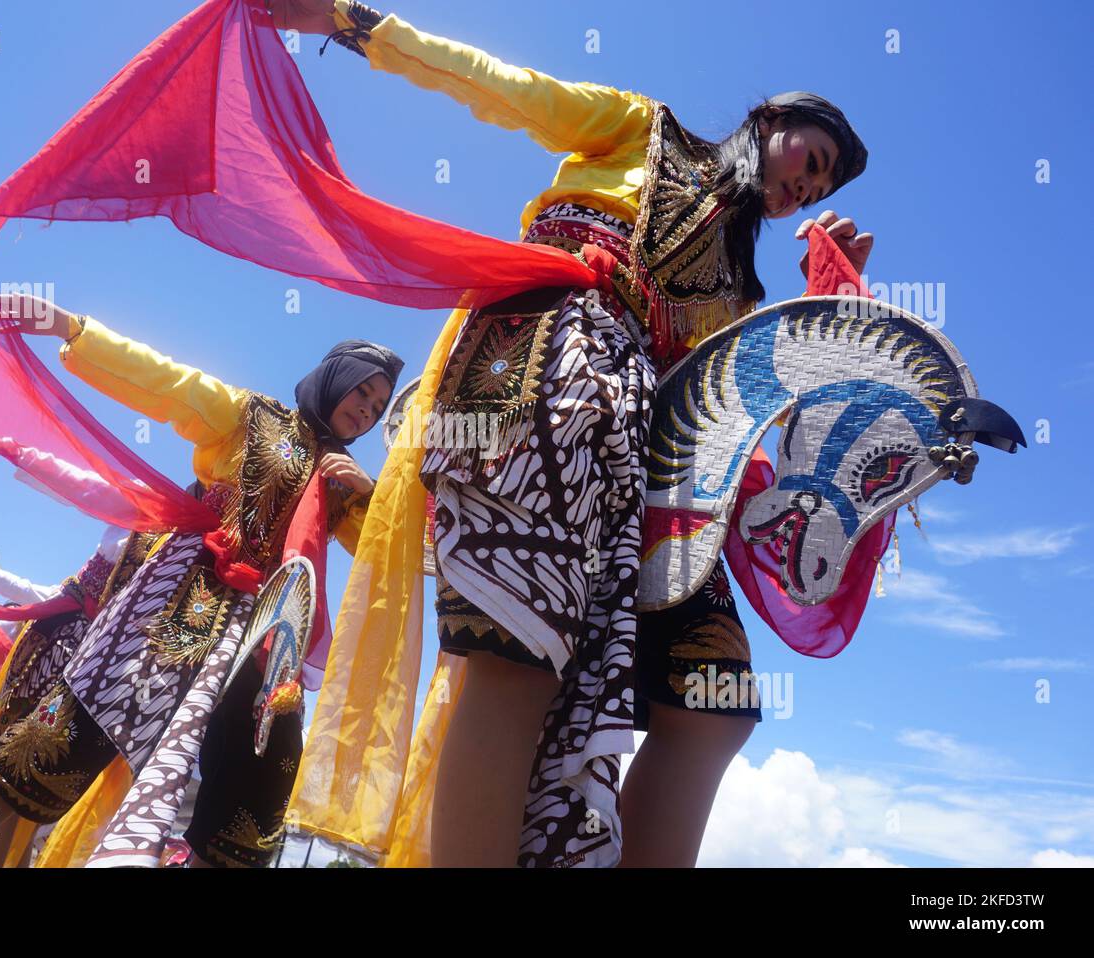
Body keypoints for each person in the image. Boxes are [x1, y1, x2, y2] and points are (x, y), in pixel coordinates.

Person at [273, 0, 873, 866]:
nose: (800, 189)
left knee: (716, 705)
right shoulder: (642, 132)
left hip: (646, 466)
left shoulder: (740, 290)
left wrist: (834, 298)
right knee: (520, 653)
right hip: (542, 371)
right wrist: (357, 24)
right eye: (805, 162)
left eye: (814, 191)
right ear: (770, 120)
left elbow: (746, 408)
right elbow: (507, 88)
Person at [0, 294, 403, 868]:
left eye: (378, 405)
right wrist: (71, 327)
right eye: (361, 391)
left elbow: (396, 552)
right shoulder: (250, 417)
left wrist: (372, 494)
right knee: (57, 742)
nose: (366, 410)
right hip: (178, 603)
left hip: (263, 641)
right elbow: (170, 382)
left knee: (257, 788)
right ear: (333, 378)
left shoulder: (345, 481)